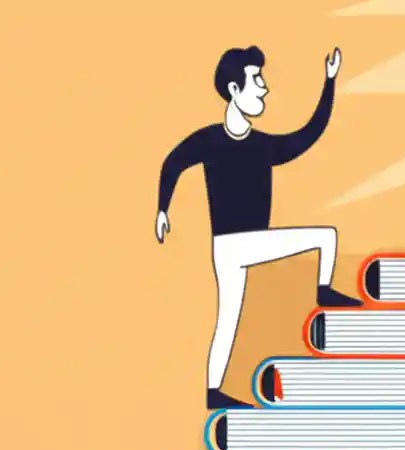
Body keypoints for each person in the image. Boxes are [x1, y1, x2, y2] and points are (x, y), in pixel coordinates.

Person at [155, 44, 363, 410]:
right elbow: (172, 163)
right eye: (257, 81)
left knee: (228, 320)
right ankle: (323, 291)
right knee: (324, 237)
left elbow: (307, 135)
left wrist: (329, 83)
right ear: (234, 90)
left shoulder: (262, 146)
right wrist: (162, 209)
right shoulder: (209, 140)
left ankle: (213, 391)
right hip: (235, 245)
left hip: (232, 249)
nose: (265, 89)